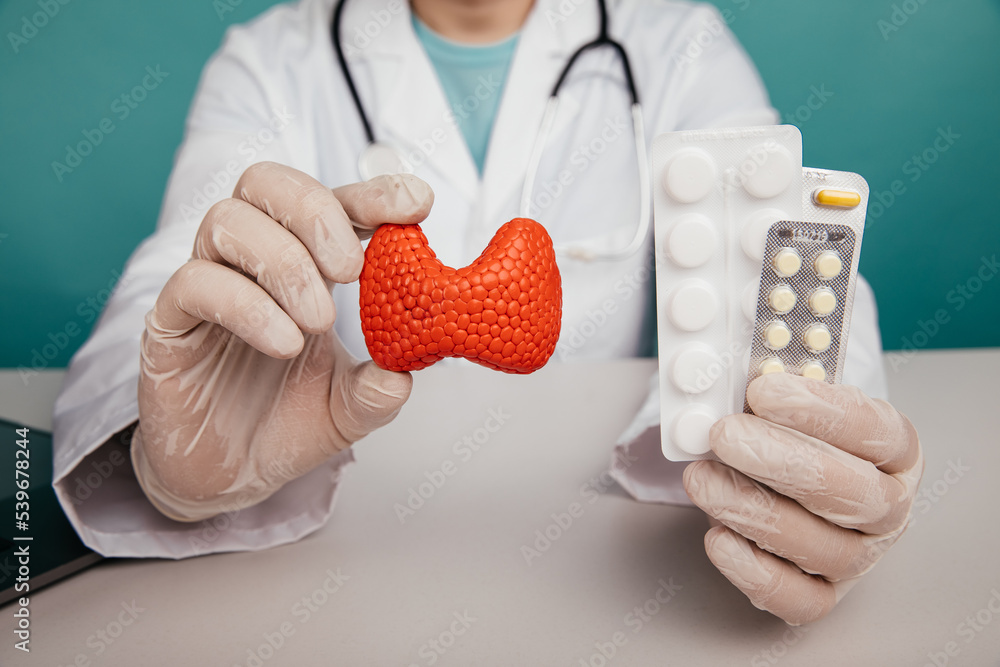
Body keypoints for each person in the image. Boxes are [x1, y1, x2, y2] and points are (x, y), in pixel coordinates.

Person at [52, 0, 923, 626]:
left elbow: (782, 253)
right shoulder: (271, 59)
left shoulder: (678, 42)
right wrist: (157, 455)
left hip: (598, 560)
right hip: (359, 570)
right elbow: (179, 264)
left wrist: (813, 457)